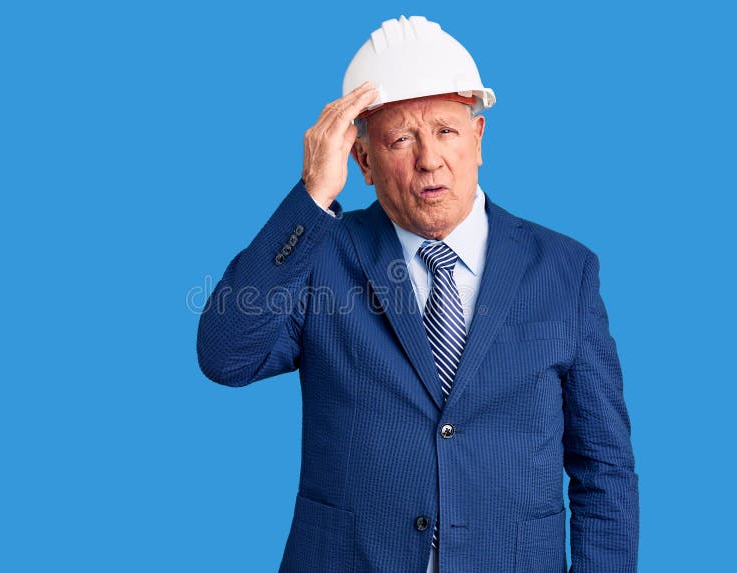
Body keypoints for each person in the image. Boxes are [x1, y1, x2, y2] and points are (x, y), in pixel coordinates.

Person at [197, 15, 639, 573]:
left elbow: (605, 468)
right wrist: (311, 198)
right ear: (362, 162)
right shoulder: (322, 256)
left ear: (478, 139)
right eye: (400, 139)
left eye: (447, 132)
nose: (429, 160)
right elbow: (225, 356)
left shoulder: (564, 269)